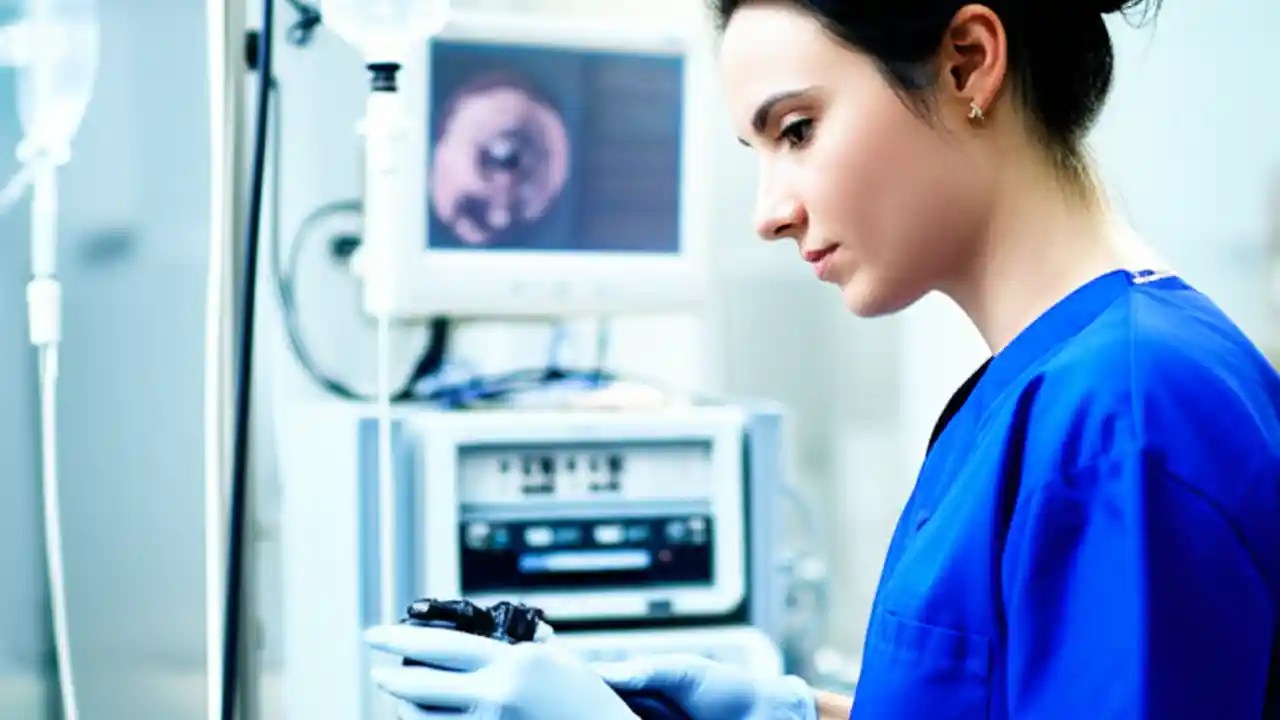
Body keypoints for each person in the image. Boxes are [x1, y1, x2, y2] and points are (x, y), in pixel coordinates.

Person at [362, 0, 1280, 717]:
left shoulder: (1125, 416)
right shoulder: (1057, 385)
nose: (768, 211)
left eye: (796, 130)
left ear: (967, 62)